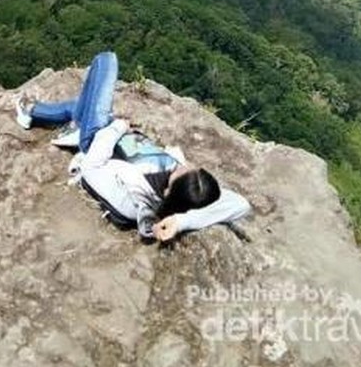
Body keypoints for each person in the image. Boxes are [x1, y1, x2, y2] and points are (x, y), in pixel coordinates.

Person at [16, 51, 251, 242]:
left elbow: (91, 167)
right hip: (115, 135)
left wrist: (117, 128)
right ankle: (36, 113)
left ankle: (69, 123)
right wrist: (182, 222)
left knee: (106, 61)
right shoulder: (190, 195)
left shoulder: (134, 201)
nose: (185, 164)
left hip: (97, 141)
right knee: (81, 108)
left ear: (170, 192)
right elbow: (241, 204)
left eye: (183, 170)